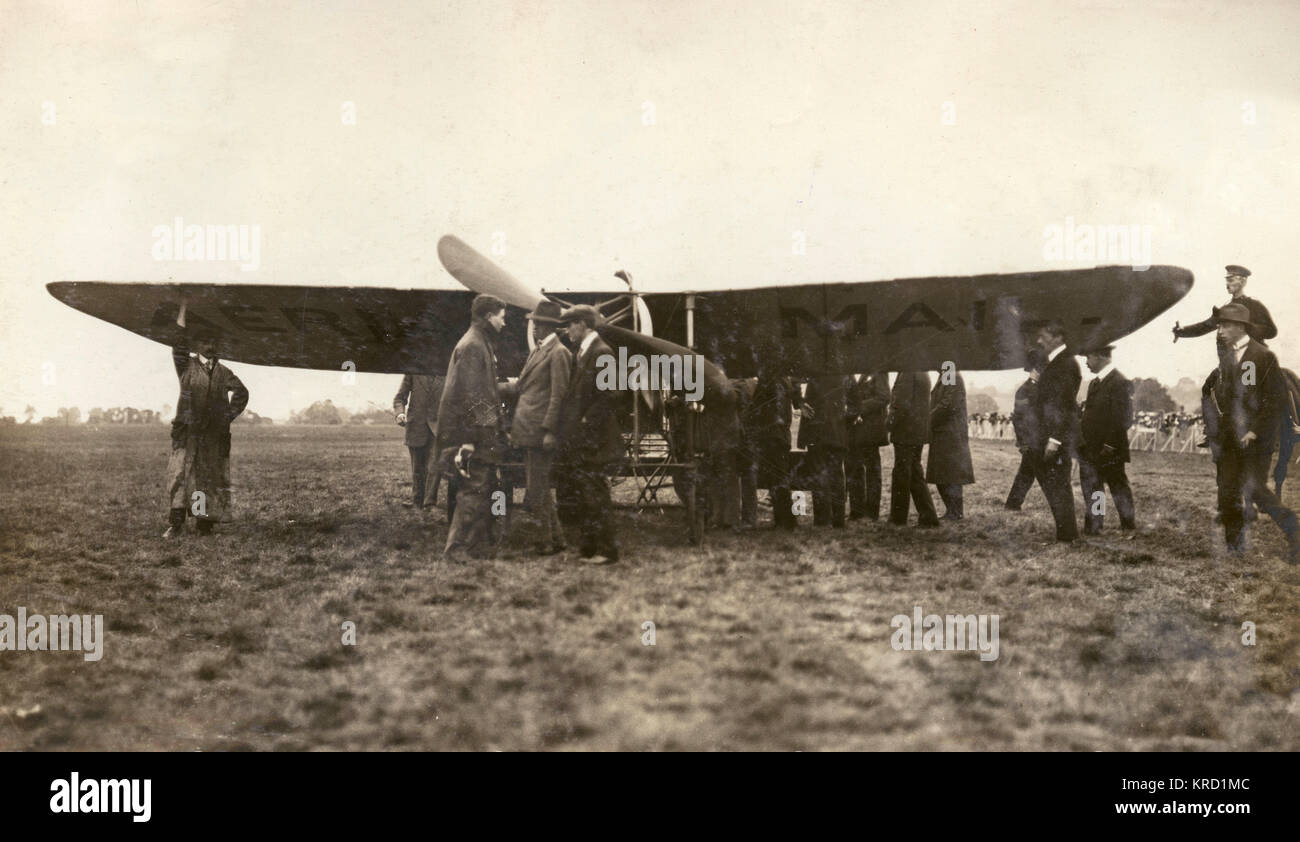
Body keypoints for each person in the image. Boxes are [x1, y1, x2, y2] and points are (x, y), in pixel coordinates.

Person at [1205, 303, 1300, 562]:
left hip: (1255, 441)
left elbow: (1275, 399)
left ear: (1238, 326)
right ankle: (1234, 550)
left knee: (1256, 491)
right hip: (1229, 439)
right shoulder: (1226, 356)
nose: (1220, 330)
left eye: (1224, 325)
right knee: (1226, 492)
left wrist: (1255, 431)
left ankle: (1295, 531)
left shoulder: (1263, 357)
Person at [437, 294, 508, 562]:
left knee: (481, 488)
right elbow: (472, 397)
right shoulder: (474, 346)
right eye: (501, 317)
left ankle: (473, 547)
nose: (504, 323)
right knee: (473, 490)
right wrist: (469, 441)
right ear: (489, 316)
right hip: (474, 435)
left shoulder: (478, 342)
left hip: (481, 433)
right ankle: (456, 550)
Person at [497, 300, 570, 555]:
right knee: (538, 489)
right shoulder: (539, 351)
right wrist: (494, 386)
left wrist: (550, 430)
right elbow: (520, 388)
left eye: (536, 323)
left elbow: (559, 396)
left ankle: (546, 542)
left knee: (537, 491)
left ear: (546, 326)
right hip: (528, 429)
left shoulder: (558, 352)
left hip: (539, 431)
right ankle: (556, 539)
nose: (533, 327)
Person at [163, 329, 249, 538]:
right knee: (180, 476)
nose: (209, 346)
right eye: (204, 341)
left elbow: (242, 392)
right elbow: (178, 347)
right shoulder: (186, 366)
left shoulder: (224, 372)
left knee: (206, 479)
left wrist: (226, 416)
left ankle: (203, 525)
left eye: (213, 341)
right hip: (187, 432)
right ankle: (176, 524)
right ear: (196, 344)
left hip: (212, 436)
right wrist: (181, 321)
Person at [554, 305, 622, 564]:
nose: (567, 330)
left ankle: (606, 550)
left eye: (570, 325)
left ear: (583, 324)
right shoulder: (584, 352)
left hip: (594, 440)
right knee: (587, 496)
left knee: (595, 495)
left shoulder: (602, 352)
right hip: (584, 440)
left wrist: (585, 422)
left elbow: (612, 396)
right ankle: (591, 548)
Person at [1077, 345, 1136, 537]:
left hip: (1110, 449)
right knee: (1094, 488)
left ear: (1099, 356)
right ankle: (1095, 525)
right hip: (1092, 448)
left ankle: (1128, 525)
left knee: (1117, 486)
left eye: (1088, 357)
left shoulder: (1120, 382)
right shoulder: (1095, 383)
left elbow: (1123, 418)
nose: (1086, 362)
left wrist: (1110, 445)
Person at [1031, 321, 1081, 542]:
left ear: (1057, 337)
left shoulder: (1066, 364)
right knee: (1054, 483)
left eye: (1043, 336)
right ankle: (1065, 532)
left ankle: (1067, 535)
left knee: (1058, 484)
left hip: (1055, 437)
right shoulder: (1057, 363)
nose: (1039, 341)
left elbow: (1064, 404)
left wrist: (1054, 439)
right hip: (1050, 435)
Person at [1174, 265, 1277, 345]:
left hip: (1254, 357)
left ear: (1242, 282)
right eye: (1226, 280)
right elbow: (1206, 326)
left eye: (1231, 280)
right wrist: (1182, 331)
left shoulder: (1254, 305)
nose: (1227, 284)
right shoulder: (1226, 309)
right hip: (1231, 358)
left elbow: (1271, 331)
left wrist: (1246, 328)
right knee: (1216, 373)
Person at [749, 369, 801, 529]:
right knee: (779, 478)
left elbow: (756, 406)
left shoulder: (769, 378)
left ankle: (786, 521)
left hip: (771, 436)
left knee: (777, 479)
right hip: (780, 435)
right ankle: (785, 520)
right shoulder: (784, 379)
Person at [888, 371, 940, 527]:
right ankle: (928, 516)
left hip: (906, 431)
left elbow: (902, 404)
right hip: (916, 431)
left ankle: (899, 518)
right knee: (915, 473)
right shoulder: (921, 371)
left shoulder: (907, 372)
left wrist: (889, 423)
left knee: (902, 473)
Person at [798, 375, 848, 527]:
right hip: (837, 434)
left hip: (817, 433)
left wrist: (800, 403)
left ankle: (822, 520)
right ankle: (838, 520)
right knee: (836, 476)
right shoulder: (846, 373)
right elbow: (856, 404)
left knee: (820, 477)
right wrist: (843, 420)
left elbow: (807, 407)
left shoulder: (815, 373)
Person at [927, 366, 974, 520]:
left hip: (950, 434)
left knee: (951, 475)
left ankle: (955, 512)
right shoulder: (946, 374)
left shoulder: (949, 373)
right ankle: (952, 511)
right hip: (945, 432)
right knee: (944, 474)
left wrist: (927, 419)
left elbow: (947, 404)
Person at [392, 373, 445, 509]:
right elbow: (399, 398)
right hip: (416, 426)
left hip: (438, 428)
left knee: (434, 466)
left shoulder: (447, 371)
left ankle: (429, 503)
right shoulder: (413, 372)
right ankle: (417, 501)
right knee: (417, 467)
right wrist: (400, 413)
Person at [844, 372, 890, 520]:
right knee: (854, 469)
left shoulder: (879, 371)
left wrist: (858, 408)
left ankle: (872, 512)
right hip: (855, 430)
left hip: (870, 431)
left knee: (872, 471)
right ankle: (856, 512)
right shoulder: (853, 371)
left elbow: (884, 397)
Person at [1005, 352, 1041, 511]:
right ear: (1034, 370)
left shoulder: (1044, 389)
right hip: (1031, 441)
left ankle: (1012, 504)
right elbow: (1018, 419)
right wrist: (1023, 442)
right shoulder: (1024, 390)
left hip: (1041, 440)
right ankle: (1012, 504)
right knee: (1026, 473)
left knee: (1027, 473)